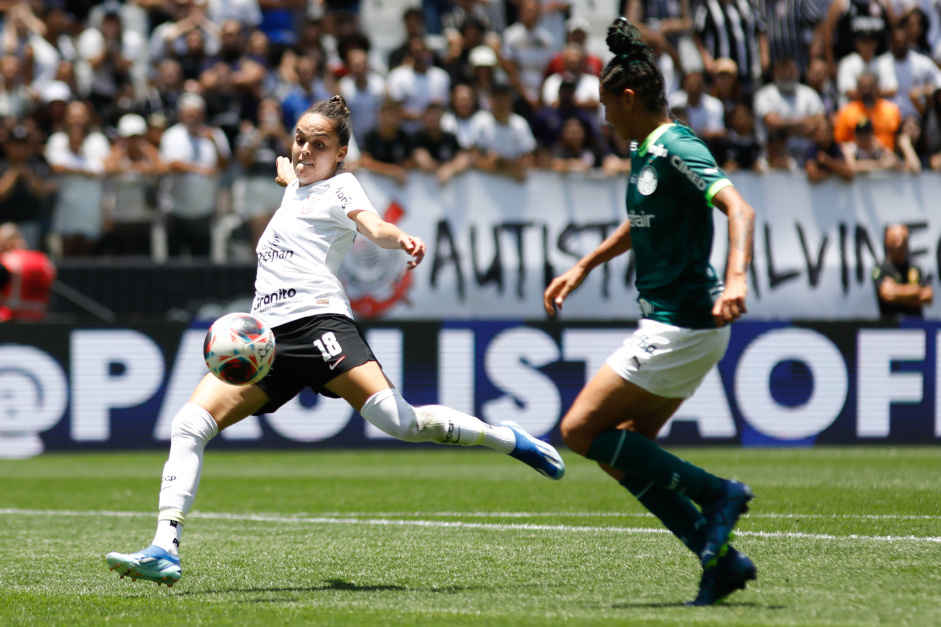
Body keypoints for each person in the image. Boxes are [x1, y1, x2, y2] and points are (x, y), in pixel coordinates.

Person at [105, 95, 564, 586]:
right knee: (189, 424)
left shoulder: (342, 187)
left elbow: (373, 225)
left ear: (341, 153)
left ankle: (503, 437)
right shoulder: (296, 186)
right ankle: (165, 547)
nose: (304, 150)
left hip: (319, 326)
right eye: (300, 140)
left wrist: (399, 238)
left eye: (318, 144)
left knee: (401, 423)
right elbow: (295, 182)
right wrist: (289, 171)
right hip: (267, 343)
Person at [543, 18, 758, 606]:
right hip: (680, 327)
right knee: (628, 453)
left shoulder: (677, 145)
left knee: (579, 430)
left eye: (609, 109)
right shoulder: (646, 149)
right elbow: (640, 224)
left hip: (682, 325)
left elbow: (740, 209)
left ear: (630, 99)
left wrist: (737, 276)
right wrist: (584, 265)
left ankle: (718, 494)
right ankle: (720, 563)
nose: (605, 121)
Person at [872, 223, 932, 318]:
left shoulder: (916, 266)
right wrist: (914, 292)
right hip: (890, 327)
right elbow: (886, 294)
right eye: (895, 239)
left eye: (903, 239)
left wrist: (896, 292)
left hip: (916, 326)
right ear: (887, 241)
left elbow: (928, 296)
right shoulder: (881, 268)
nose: (899, 243)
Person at [0, 222, 56, 322]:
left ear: (8, 243)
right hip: (38, 320)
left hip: (8, 320)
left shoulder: (6, 262)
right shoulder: (44, 261)